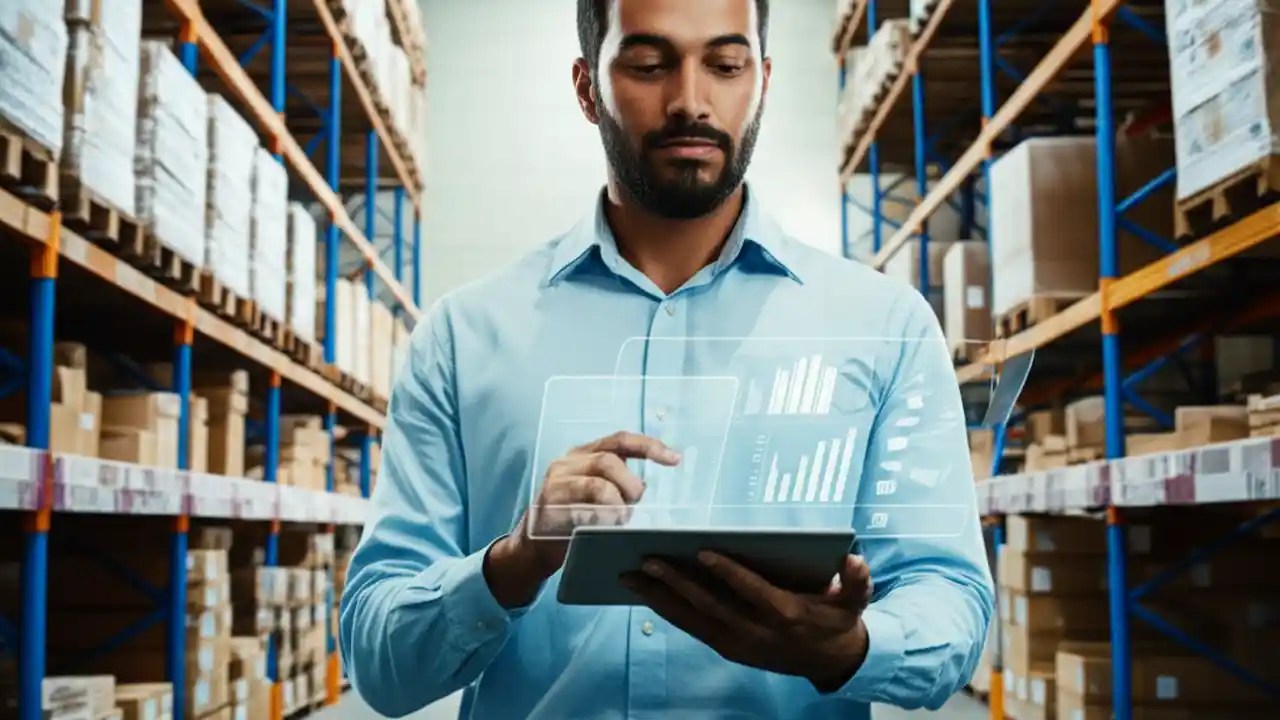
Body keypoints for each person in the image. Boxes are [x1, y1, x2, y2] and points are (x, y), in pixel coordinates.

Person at [339, 0, 994, 717]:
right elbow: (380, 662)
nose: (690, 101)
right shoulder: (463, 338)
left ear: (763, 82)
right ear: (588, 88)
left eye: (725, 64)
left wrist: (845, 649)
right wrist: (515, 560)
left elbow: (952, 603)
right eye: (650, 65)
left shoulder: (884, 327)